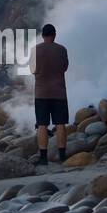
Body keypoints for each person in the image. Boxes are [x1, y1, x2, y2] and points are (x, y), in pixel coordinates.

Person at [31, 23, 69, 164]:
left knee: (42, 125)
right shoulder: (62, 50)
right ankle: (62, 156)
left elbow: (32, 70)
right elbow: (65, 67)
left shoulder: (35, 50)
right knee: (60, 124)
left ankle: (43, 158)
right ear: (54, 35)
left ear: (42, 35)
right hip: (59, 92)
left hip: (41, 93)